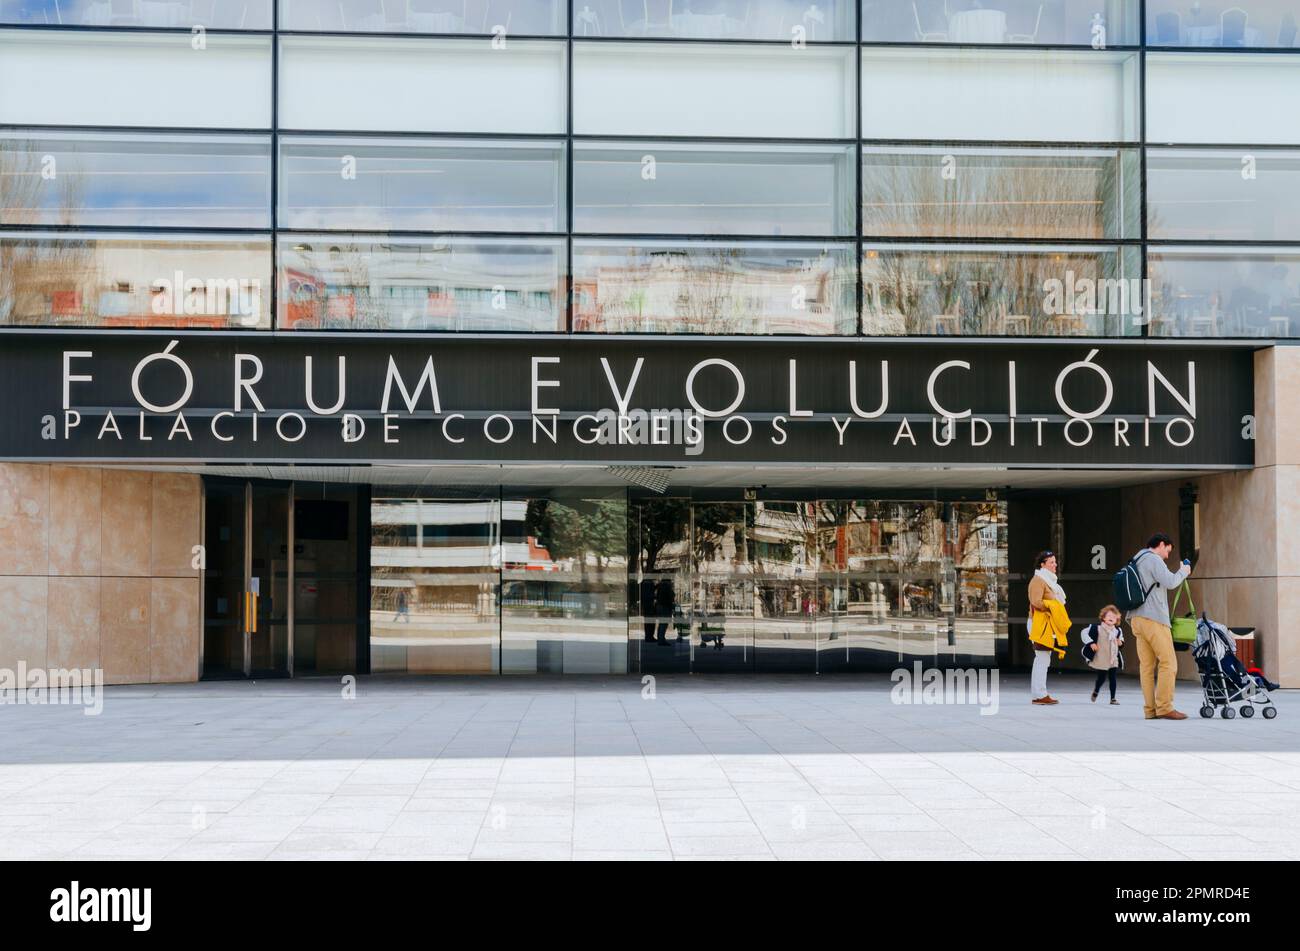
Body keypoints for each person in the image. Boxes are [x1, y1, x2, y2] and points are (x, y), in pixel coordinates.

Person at [1129, 532, 1192, 720]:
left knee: (1147, 667)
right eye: (1167, 551)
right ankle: (1164, 707)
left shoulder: (1136, 559)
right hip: (1153, 618)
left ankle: (1150, 710)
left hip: (1136, 618)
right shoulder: (1154, 559)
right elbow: (1171, 582)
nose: (1167, 556)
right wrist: (1184, 572)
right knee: (1169, 663)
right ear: (1161, 544)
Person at [1027, 550, 1069, 705]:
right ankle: (1039, 694)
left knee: (1043, 659)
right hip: (1039, 624)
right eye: (1051, 562)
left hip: (1046, 624)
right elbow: (1036, 601)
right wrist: (1053, 605)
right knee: (1042, 659)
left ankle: (1039, 693)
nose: (1055, 564)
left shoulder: (1049, 581)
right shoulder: (1038, 580)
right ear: (1042, 564)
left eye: (1055, 561)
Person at [1081, 605, 1125, 704]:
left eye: (1114, 617)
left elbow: (1121, 641)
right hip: (1101, 657)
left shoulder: (1117, 631)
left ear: (1117, 619)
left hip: (1113, 658)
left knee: (1113, 677)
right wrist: (1091, 643)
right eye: (1109, 616)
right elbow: (1084, 633)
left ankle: (1113, 698)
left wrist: (1120, 642)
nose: (1111, 618)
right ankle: (1096, 690)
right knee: (1101, 678)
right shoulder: (1096, 628)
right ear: (1103, 617)